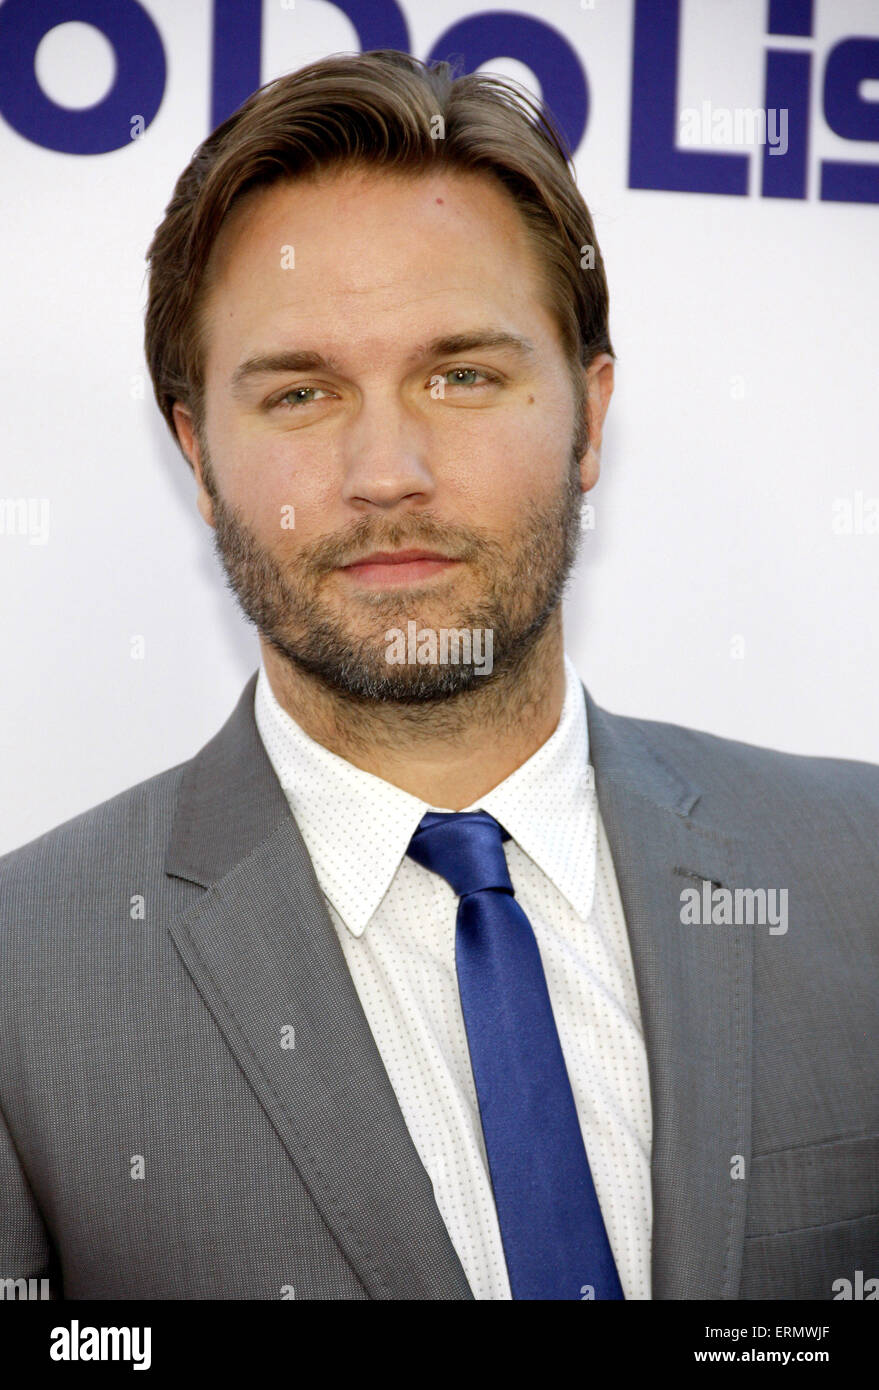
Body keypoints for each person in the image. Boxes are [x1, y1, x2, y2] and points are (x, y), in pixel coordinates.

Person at [1, 50, 876, 1302]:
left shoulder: (859, 872)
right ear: (198, 457)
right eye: (301, 391)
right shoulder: (23, 985)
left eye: (462, 374)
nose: (388, 469)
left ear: (588, 411)